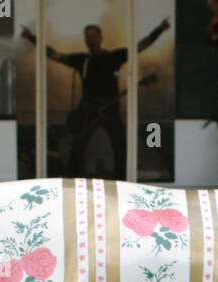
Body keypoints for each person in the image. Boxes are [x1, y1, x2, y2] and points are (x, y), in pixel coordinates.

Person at [21, 18, 170, 178]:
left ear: (101, 38)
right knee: (78, 148)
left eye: (93, 35)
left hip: (110, 110)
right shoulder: (82, 60)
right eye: (87, 36)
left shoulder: (114, 57)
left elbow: (140, 47)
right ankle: (72, 181)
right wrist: (31, 38)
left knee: (120, 147)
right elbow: (54, 55)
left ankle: (121, 182)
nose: (90, 39)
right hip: (88, 110)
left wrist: (159, 30)